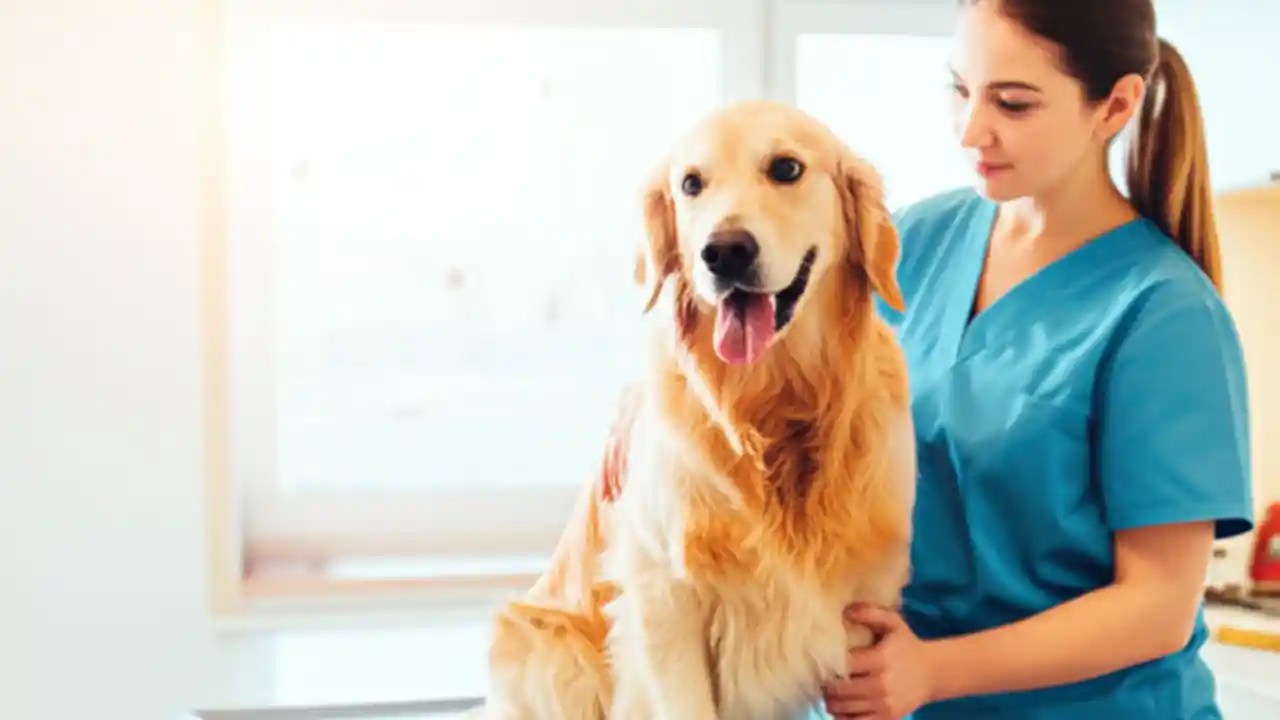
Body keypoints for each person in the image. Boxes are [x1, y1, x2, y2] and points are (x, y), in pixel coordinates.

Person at [818, 0, 1255, 718]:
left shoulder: (1165, 314)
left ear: (1114, 106)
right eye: (960, 88)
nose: (971, 130)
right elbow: (777, 376)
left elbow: (1156, 607)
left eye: (1013, 104)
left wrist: (933, 671)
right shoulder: (912, 243)